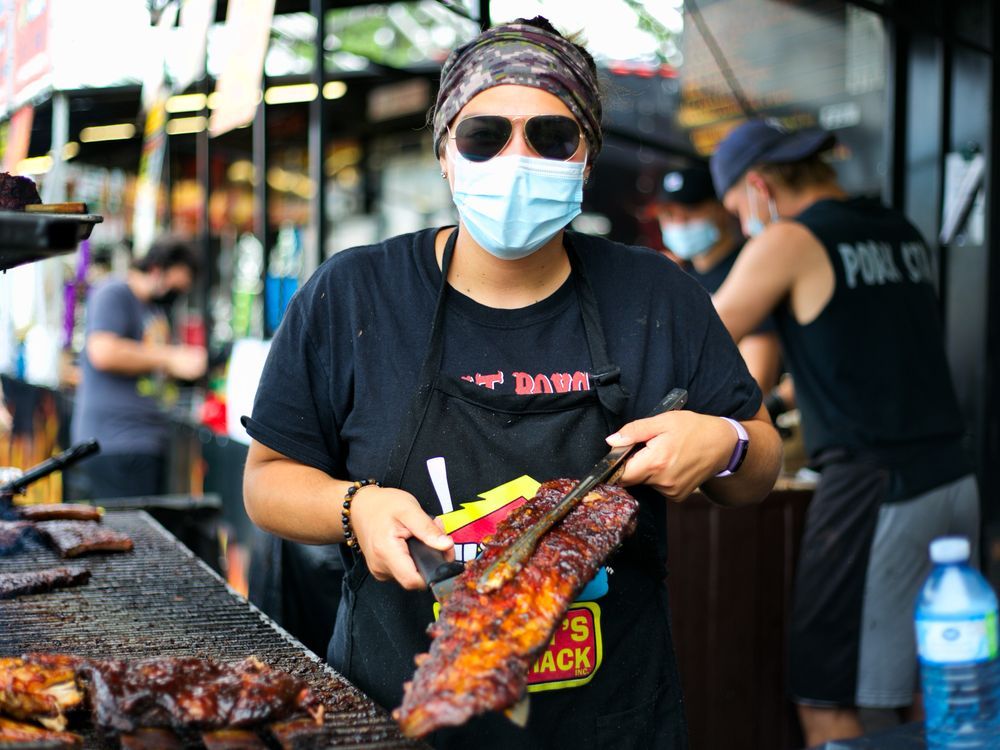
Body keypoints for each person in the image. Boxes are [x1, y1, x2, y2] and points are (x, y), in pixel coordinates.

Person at [243, 17, 782, 749]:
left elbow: (758, 466)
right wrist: (353, 507)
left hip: (613, 723)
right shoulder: (354, 296)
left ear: (585, 156)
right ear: (445, 154)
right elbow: (267, 480)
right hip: (399, 720)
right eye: (484, 135)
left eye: (551, 137)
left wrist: (725, 442)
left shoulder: (656, 295)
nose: (517, 156)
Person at [710, 119, 979, 746]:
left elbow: (701, 336)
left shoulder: (788, 242)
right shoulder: (898, 231)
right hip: (954, 479)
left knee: (829, 700)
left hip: (878, 491)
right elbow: (843, 347)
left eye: (733, 207)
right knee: (926, 695)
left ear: (757, 186)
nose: (740, 222)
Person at [69, 236, 207, 499]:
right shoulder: (114, 293)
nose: (175, 295)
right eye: (174, 287)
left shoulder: (153, 309)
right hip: (116, 442)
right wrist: (170, 357)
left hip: (144, 441)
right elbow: (103, 351)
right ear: (156, 270)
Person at [654, 164, 781, 393]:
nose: (678, 223)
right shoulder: (678, 277)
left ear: (720, 209)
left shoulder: (751, 267)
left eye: (690, 210)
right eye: (669, 214)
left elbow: (759, 378)